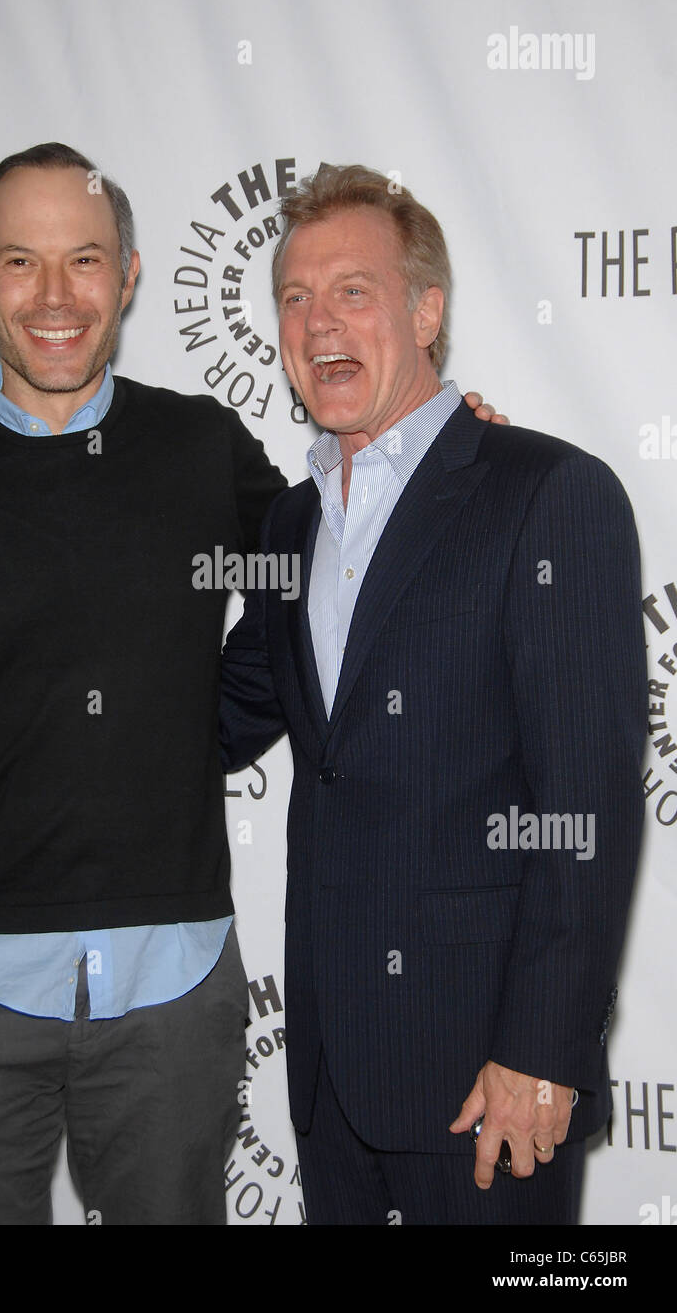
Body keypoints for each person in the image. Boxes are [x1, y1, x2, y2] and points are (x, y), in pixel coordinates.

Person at [0, 142, 289, 1226]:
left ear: (127, 274)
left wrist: (433, 452)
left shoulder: (200, 447)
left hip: (171, 988)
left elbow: (318, 576)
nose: (55, 297)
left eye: (84, 260)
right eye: (20, 263)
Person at [219, 163, 647, 1226]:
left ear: (425, 311)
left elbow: (580, 807)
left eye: (351, 290)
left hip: (486, 1078)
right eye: (293, 297)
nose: (318, 321)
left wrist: (539, 1049)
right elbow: (218, 719)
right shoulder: (286, 525)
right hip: (327, 1079)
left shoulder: (546, 494)